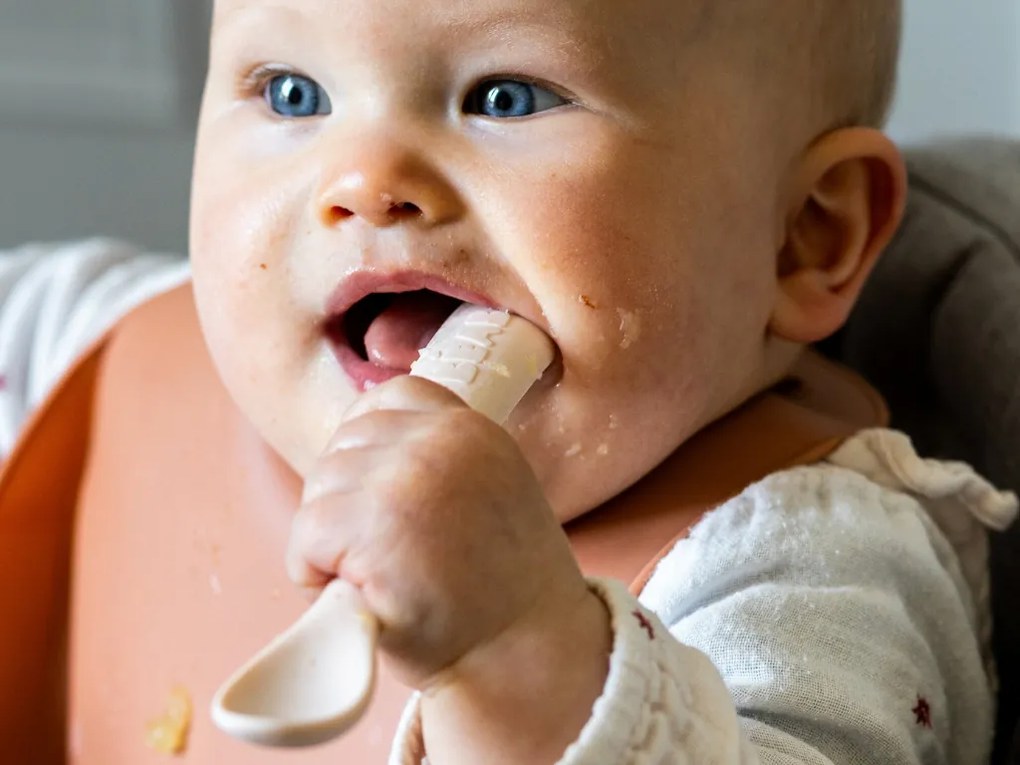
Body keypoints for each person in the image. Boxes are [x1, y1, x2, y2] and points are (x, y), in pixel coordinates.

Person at [1, 0, 1016, 762]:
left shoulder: (805, 569)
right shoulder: (99, 342)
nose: (364, 180)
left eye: (504, 98)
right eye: (291, 93)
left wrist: (526, 659)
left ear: (804, 238)